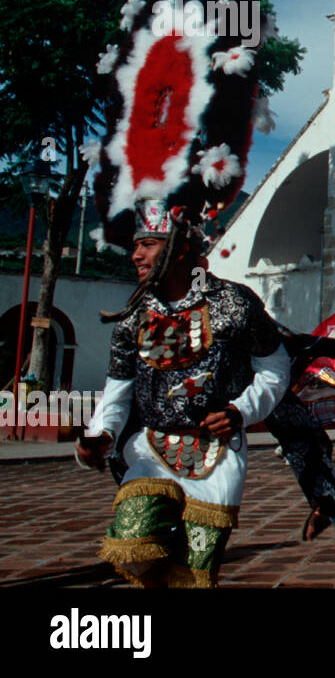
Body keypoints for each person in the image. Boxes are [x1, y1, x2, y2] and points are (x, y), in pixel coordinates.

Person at [76, 201, 291, 587]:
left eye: (148, 244)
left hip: (218, 455)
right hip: (150, 453)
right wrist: (101, 434)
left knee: (192, 575)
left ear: (181, 248)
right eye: (135, 245)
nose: (136, 254)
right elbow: (118, 389)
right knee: (133, 544)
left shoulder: (234, 304)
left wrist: (241, 411)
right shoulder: (134, 315)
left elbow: (275, 369)